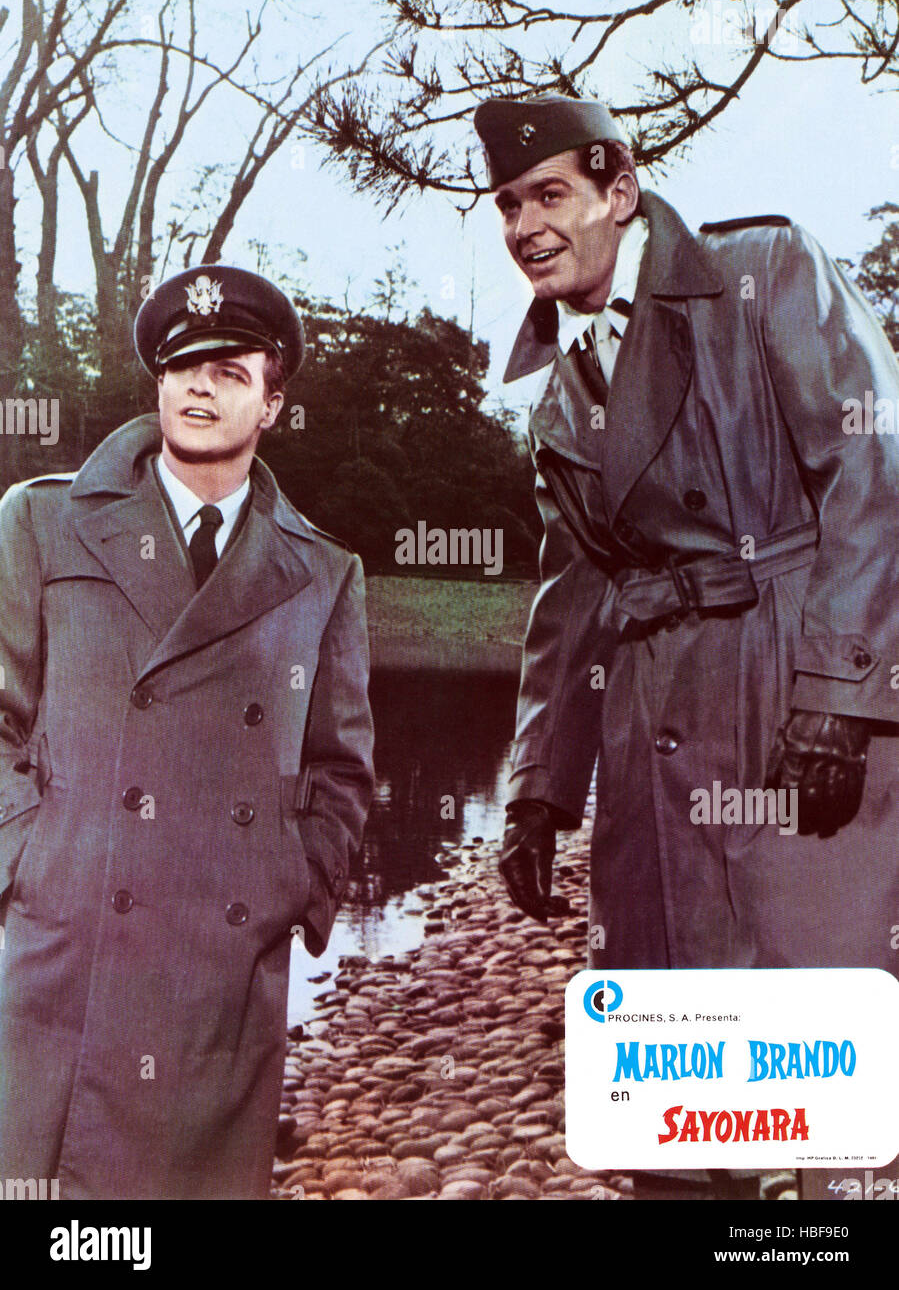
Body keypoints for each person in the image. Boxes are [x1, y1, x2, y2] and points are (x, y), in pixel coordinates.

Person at [475, 94, 899, 1200]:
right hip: (652, 723)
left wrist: (837, 691)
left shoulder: (759, 272)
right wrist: (539, 787)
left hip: (789, 690)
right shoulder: (558, 395)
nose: (523, 225)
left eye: (550, 195)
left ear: (620, 190)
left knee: (816, 1064)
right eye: (507, 204)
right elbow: (571, 594)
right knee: (666, 1073)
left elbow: (872, 468)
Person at [0, 265, 375, 1199]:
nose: (199, 386)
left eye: (229, 370)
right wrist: (30, 857)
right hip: (68, 949)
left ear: (273, 404)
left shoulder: (322, 573)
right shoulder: (43, 523)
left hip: (220, 968)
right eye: (182, 367)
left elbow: (341, 769)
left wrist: (289, 884)